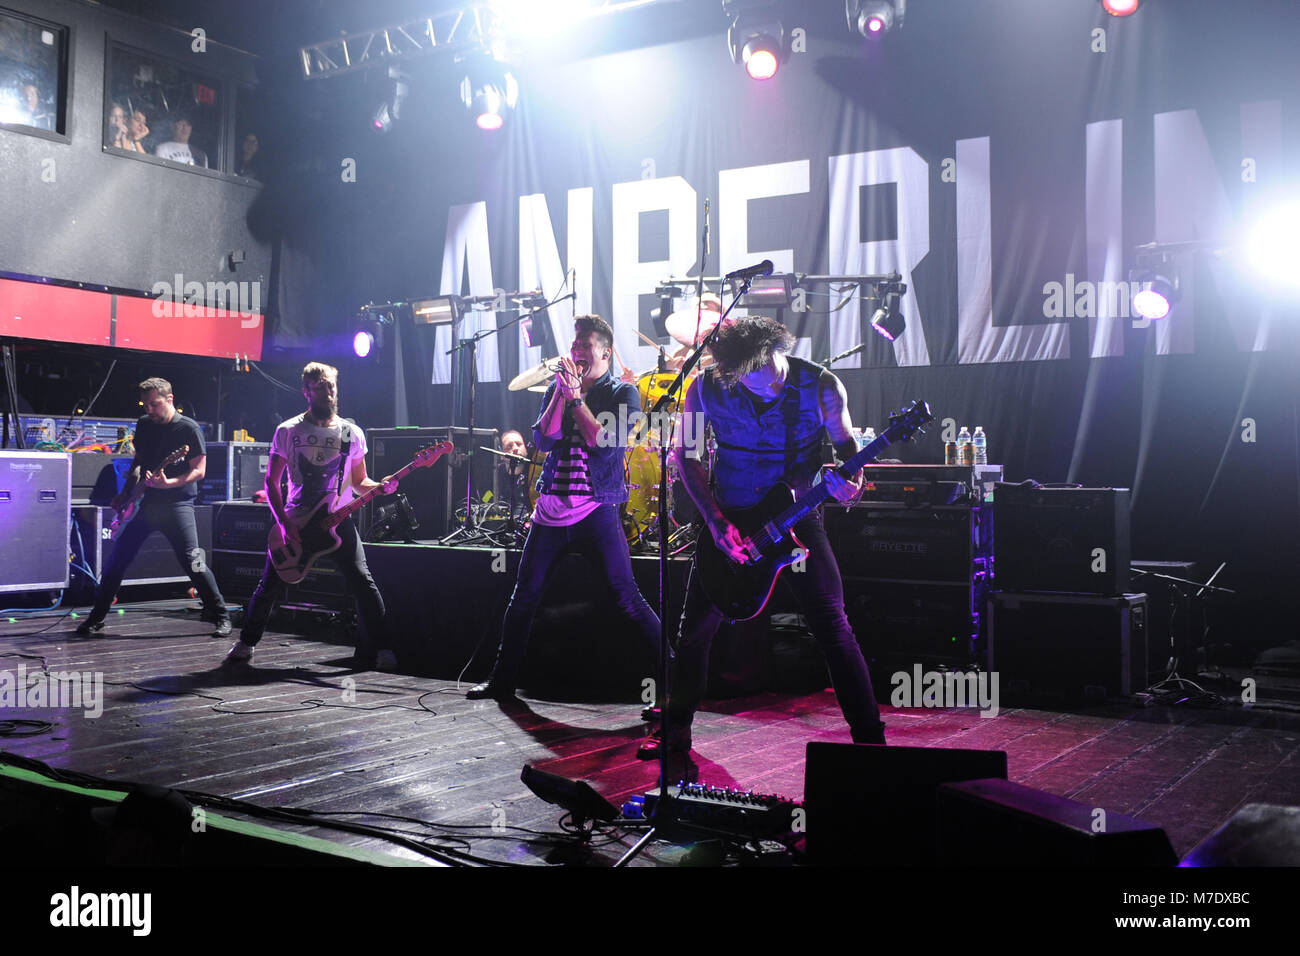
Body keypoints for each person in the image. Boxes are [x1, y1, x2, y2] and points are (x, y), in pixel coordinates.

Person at [639, 317, 887, 767]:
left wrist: (851, 481)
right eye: (748, 384)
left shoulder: (822, 386)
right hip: (728, 520)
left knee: (833, 624)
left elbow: (847, 449)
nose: (762, 391)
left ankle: (871, 742)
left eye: (766, 377)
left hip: (794, 516)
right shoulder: (706, 387)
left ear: (778, 349)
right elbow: (685, 455)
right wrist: (714, 522)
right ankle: (674, 730)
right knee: (693, 633)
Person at [467, 316, 662, 700]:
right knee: (524, 596)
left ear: (605, 352)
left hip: (596, 509)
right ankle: (502, 679)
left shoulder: (623, 394)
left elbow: (604, 443)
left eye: (585, 347)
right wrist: (561, 394)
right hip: (551, 509)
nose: (577, 353)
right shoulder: (559, 388)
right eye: (574, 347)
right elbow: (544, 437)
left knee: (628, 596)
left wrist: (576, 399)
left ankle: (671, 674)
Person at [225, 363, 400, 669]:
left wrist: (381, 487)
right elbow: (271, 482)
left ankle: (383, 648)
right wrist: (284, 524)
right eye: (320, 387)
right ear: (306, 391)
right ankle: (246, 643)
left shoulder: (351, 433)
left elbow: (360, 482)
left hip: (337, 520)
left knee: (362, 581)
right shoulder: (289, 431)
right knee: (269, 586)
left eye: (331, 386)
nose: (328, 392)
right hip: (296, 520)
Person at [77, 378, 232, 637]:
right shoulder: (145, 423)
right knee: (117, 561)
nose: (149, 409)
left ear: (169, 399)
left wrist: (169, 482)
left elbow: (199, 471)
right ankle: (96, 618)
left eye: (154, 404)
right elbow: (139, 461)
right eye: (145, 404)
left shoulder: (188, 429)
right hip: (147, 504)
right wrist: (125, 493)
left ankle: (221, 615)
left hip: (178, 504)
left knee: (193, 561)